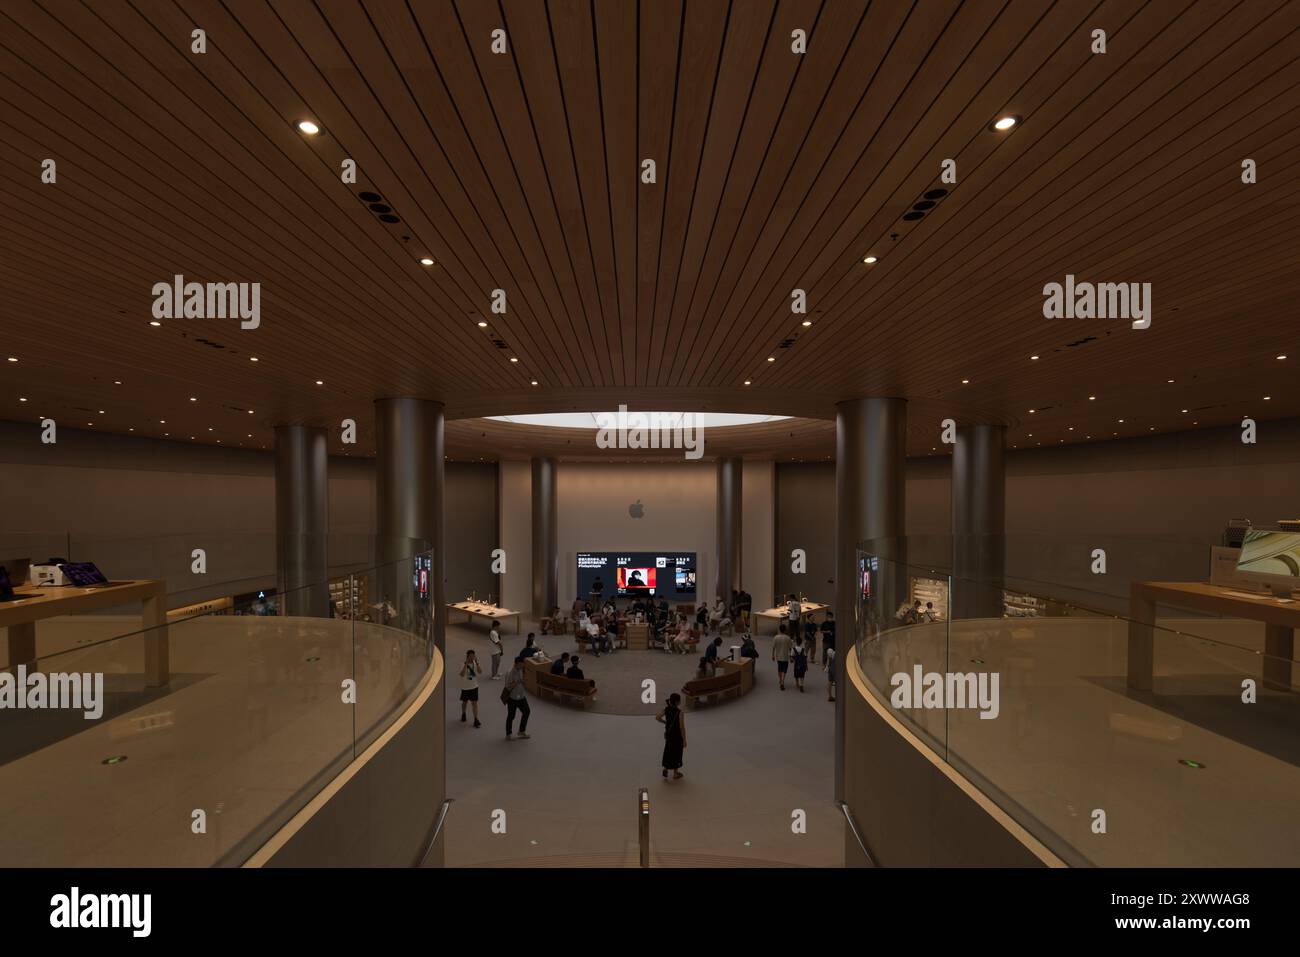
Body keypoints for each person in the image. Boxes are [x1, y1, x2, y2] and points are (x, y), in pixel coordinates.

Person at [656, 692, 686, 780]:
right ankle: (675, 773)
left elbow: (657, 717)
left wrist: (665, 722)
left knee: (668, 750)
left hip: (669, 735)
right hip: (677, 736)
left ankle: (665, 768)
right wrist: (684, 740)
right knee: (676, 753)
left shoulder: (666, 709)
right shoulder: (679, 712)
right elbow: (682, 727)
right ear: (677, 702)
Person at [504, 656, 530, 740]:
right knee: (511, 716)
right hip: (512, 698)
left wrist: (523, 682)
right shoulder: (510, 673)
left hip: (521, 696)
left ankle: (521, 731)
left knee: (527, 711)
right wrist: (517, 682)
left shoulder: (521, 669)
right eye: (521, 664)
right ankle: (508, 734)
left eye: (523, 664)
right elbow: (507, 687)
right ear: (516, 664)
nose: (523, 666)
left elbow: (522, 680)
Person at [458, 650, 482, 727]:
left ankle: (476, 719)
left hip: (474, 686)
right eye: (471, 656)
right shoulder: (462, 664)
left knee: (474, 703)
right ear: (467, 657)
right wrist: (466, 664)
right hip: (465, 687)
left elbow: (480, 672)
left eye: (473, 656)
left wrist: (477, 663)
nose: (472, 658)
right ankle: (463, 713)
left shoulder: (475, 663)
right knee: (464, 702)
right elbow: (462, 674)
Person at [772, 623, 793, 691]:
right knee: (784, 669)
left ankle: (780, 680)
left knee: (779, 668)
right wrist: (791, 656)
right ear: (785, 630)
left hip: (778, 656)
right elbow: (790, 648)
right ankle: (783, 681)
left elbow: (773, 647)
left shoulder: (776, 637)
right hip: (785, 656)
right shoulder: (788, 638)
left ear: (780, 630)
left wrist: (772, 655)